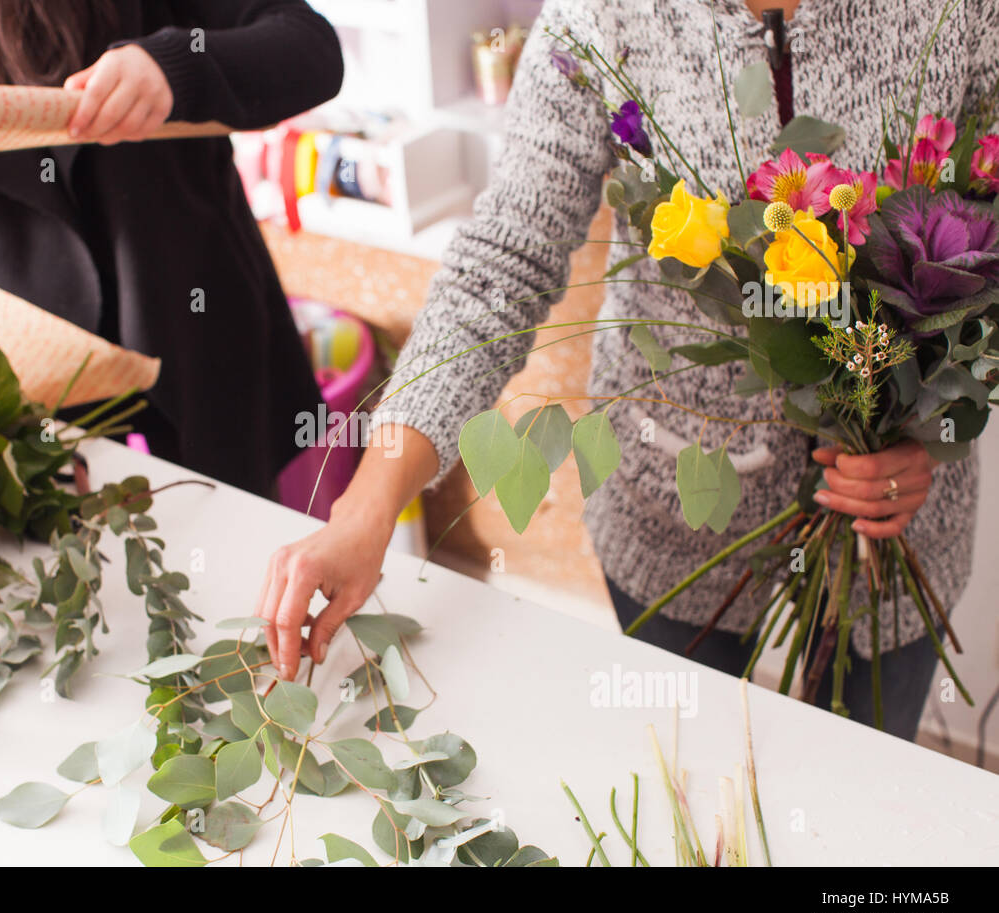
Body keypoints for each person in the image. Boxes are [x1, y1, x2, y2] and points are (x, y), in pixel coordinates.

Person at [255, 0, 992, 740]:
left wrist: (933, 430)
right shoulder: (604, 13)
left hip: (898, 529)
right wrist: (366, 505)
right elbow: (504, 262)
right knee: (685, 773)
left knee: (860, 788)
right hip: (672, 501)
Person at [0, 0, 344, 498]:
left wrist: (174, 68)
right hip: (19, 355)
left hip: (191, 312)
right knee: (67, 588)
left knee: (239, 568)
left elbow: (309, 48)